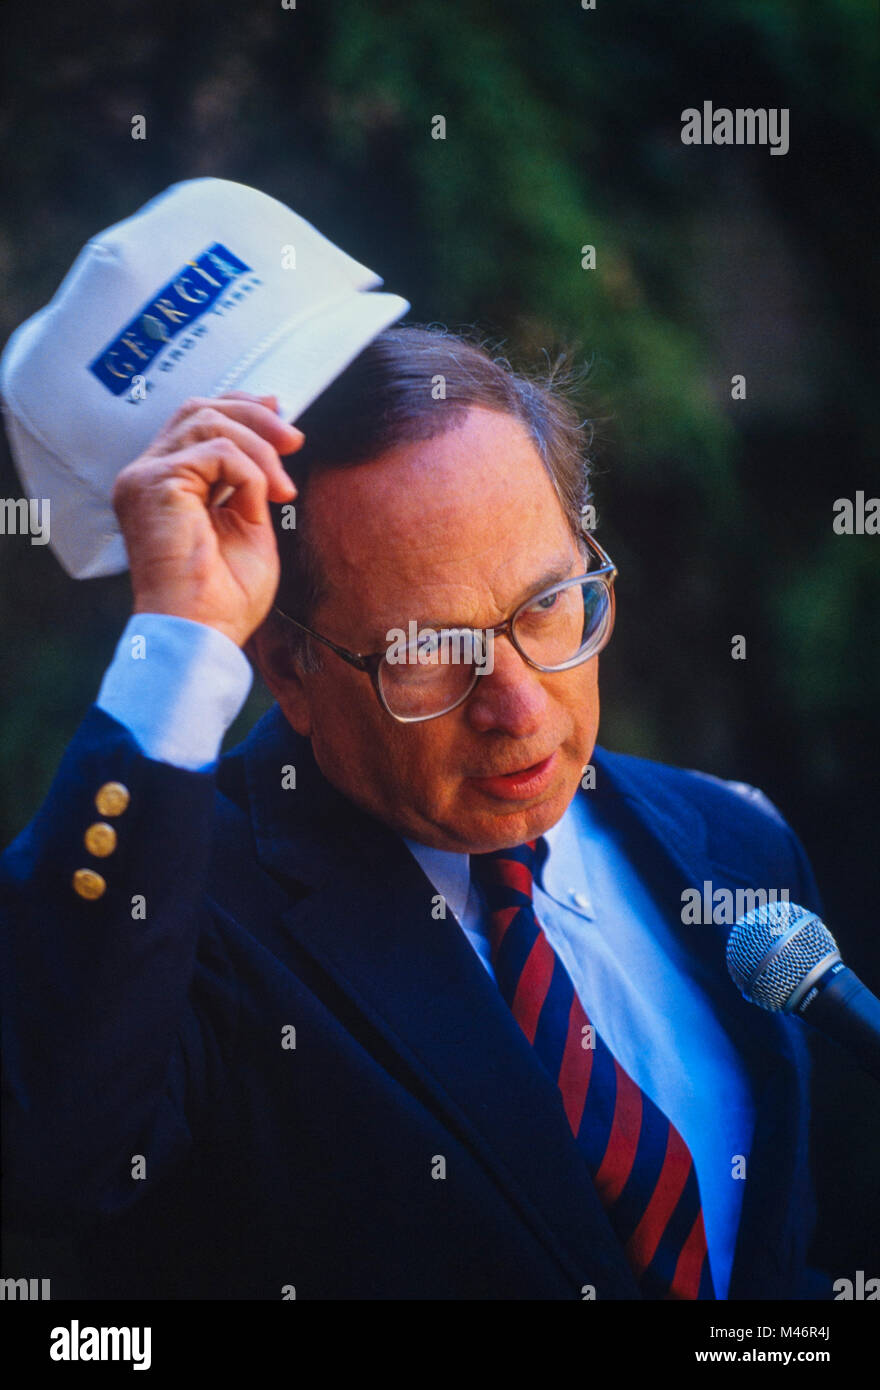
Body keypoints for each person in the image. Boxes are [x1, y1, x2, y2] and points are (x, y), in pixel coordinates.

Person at [1, 325, 826, 1300]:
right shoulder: (180, 924)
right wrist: (179, 636)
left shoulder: (734, 842)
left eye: (549, 601)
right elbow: (53, 1150)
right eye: (427, 653)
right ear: (287, 669)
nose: (517, 707)